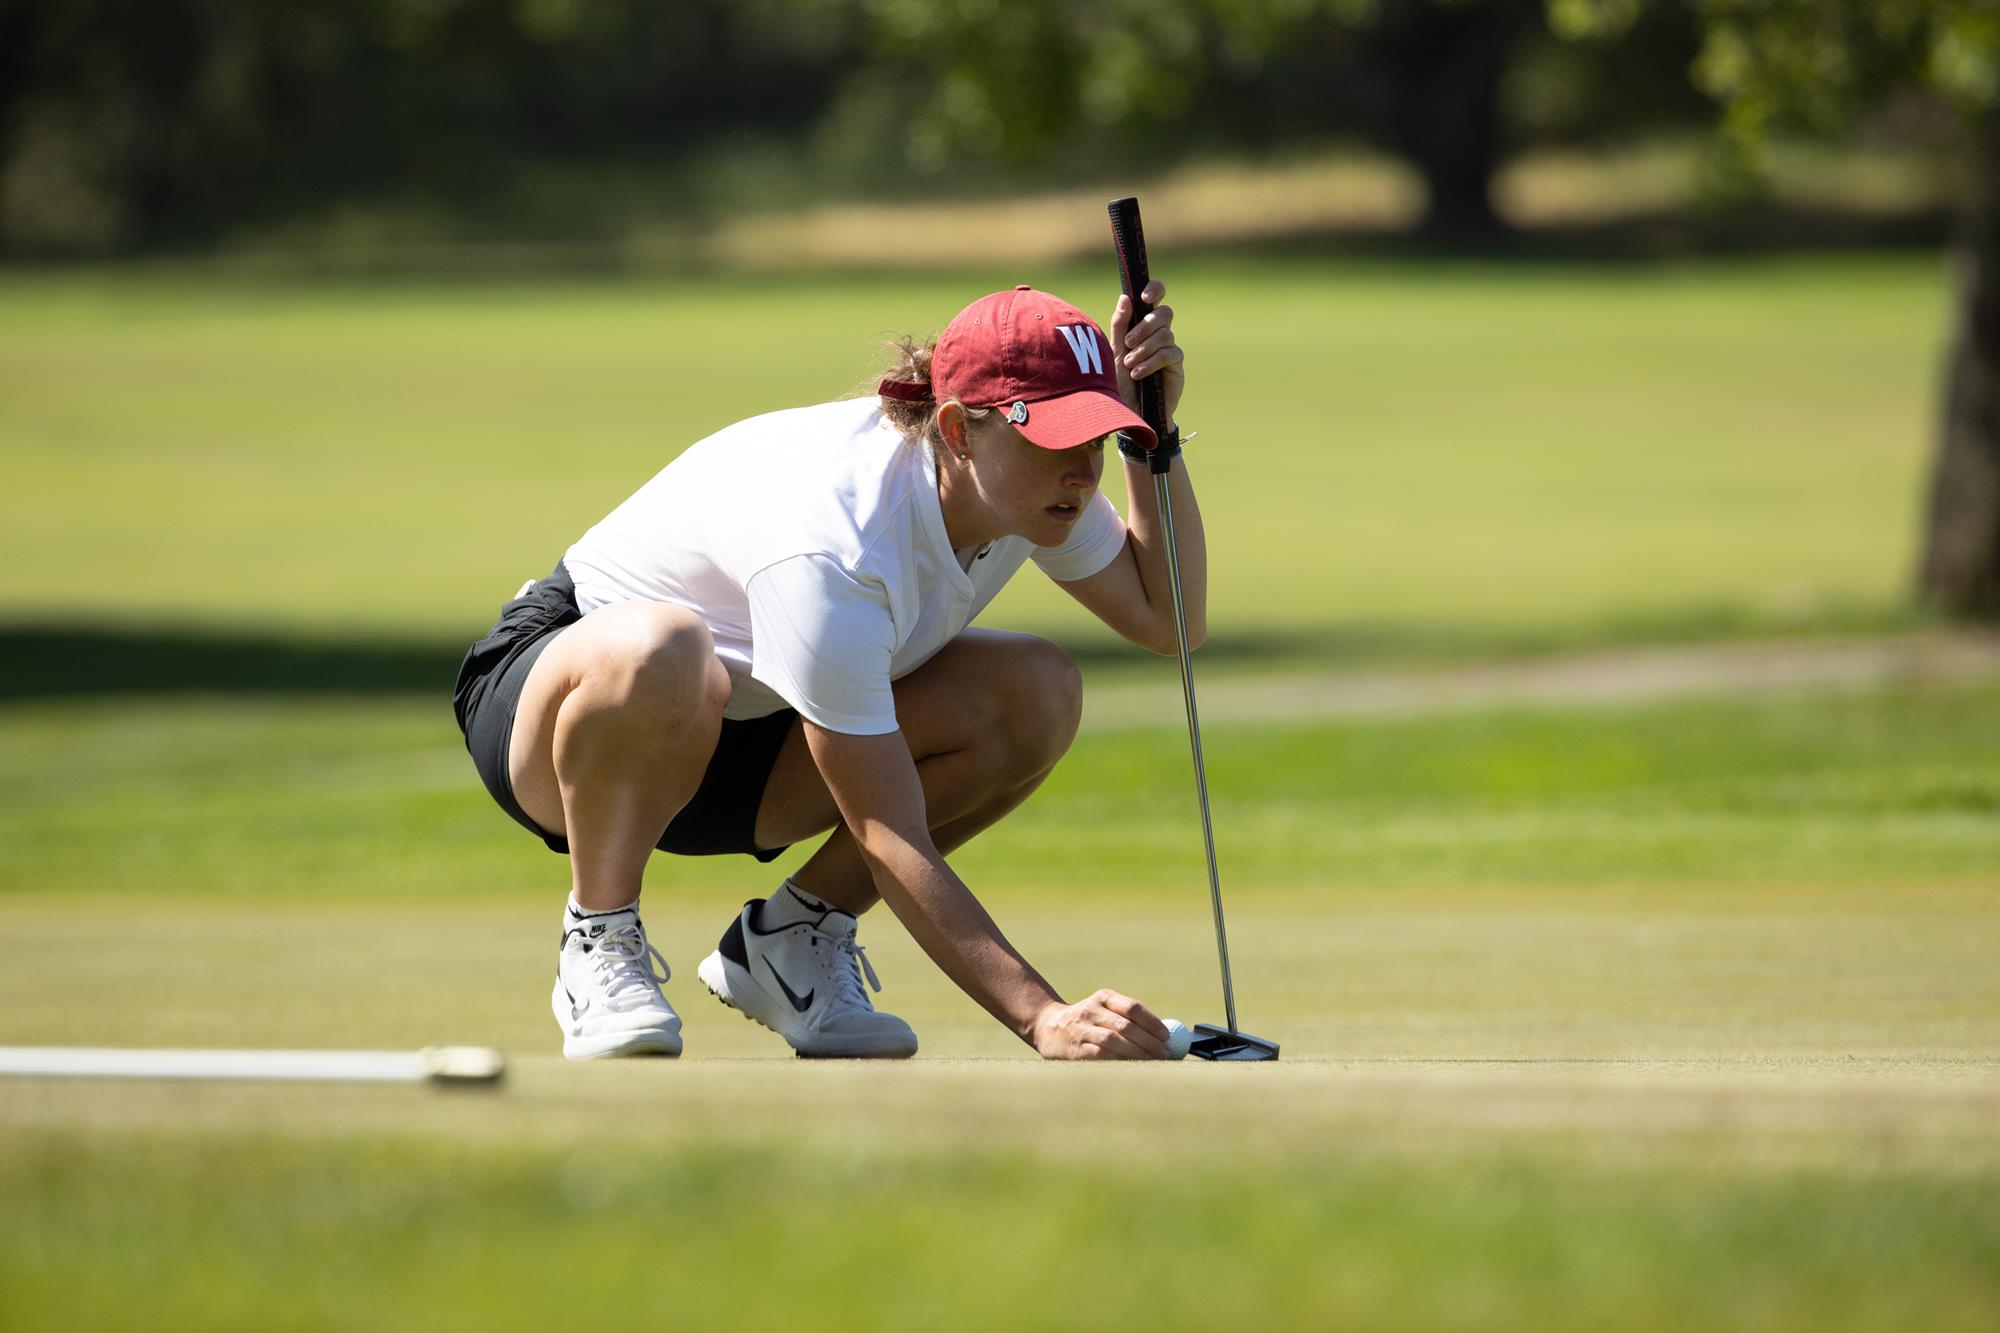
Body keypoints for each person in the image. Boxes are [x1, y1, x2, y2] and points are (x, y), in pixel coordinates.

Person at [452, 279, 1198, 1061]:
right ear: (958, 429)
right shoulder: (838, 539)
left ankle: (792, 942)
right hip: (569, 712)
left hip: (743, 739)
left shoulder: (1034, 495)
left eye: (1094, 436)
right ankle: (599, 939)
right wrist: (1040, 1015)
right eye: (1051, 437)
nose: (1079, 470)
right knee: (665, 650)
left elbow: (1167, 616)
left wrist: (1156, 436)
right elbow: (887, 826)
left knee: (1038, 692)